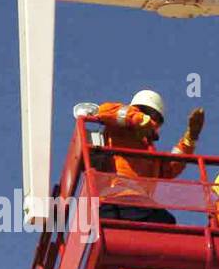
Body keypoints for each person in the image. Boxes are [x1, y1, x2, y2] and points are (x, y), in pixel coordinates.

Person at [76, 90, 204, 225]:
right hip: (116, 198)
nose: (154, 123)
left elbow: (169, 168)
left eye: (157, 119)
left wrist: (190, 139)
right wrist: (140, 119)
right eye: (151, 115)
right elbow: (104, 110)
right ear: (138, 109)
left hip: (141, 203)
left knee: (167, 223)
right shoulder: (119, 128)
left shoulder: (149, 149)